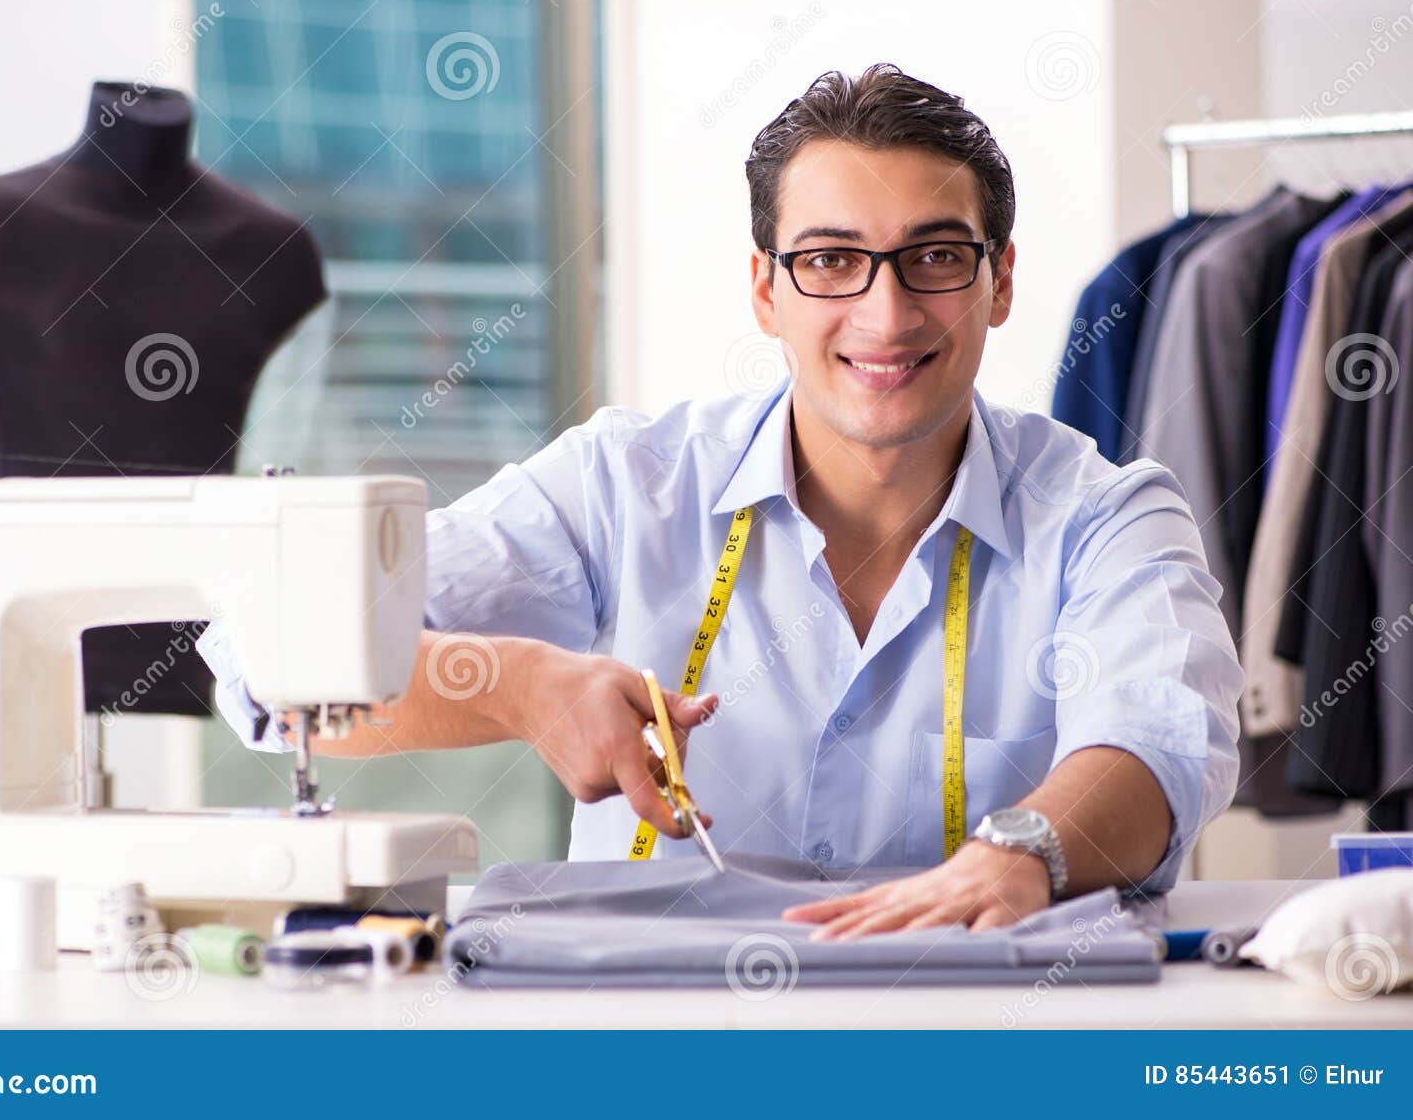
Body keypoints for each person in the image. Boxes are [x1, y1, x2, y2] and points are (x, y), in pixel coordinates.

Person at [198, 63, 1241, 939]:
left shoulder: (1108, 517)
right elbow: (269, 657)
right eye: (831, 260)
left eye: (933, 258)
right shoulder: (621, 488)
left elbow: (1159, 740)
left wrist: (1020, 855)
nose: (885, 313)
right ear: (765, 289)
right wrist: (509, 684)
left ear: (998, 283)